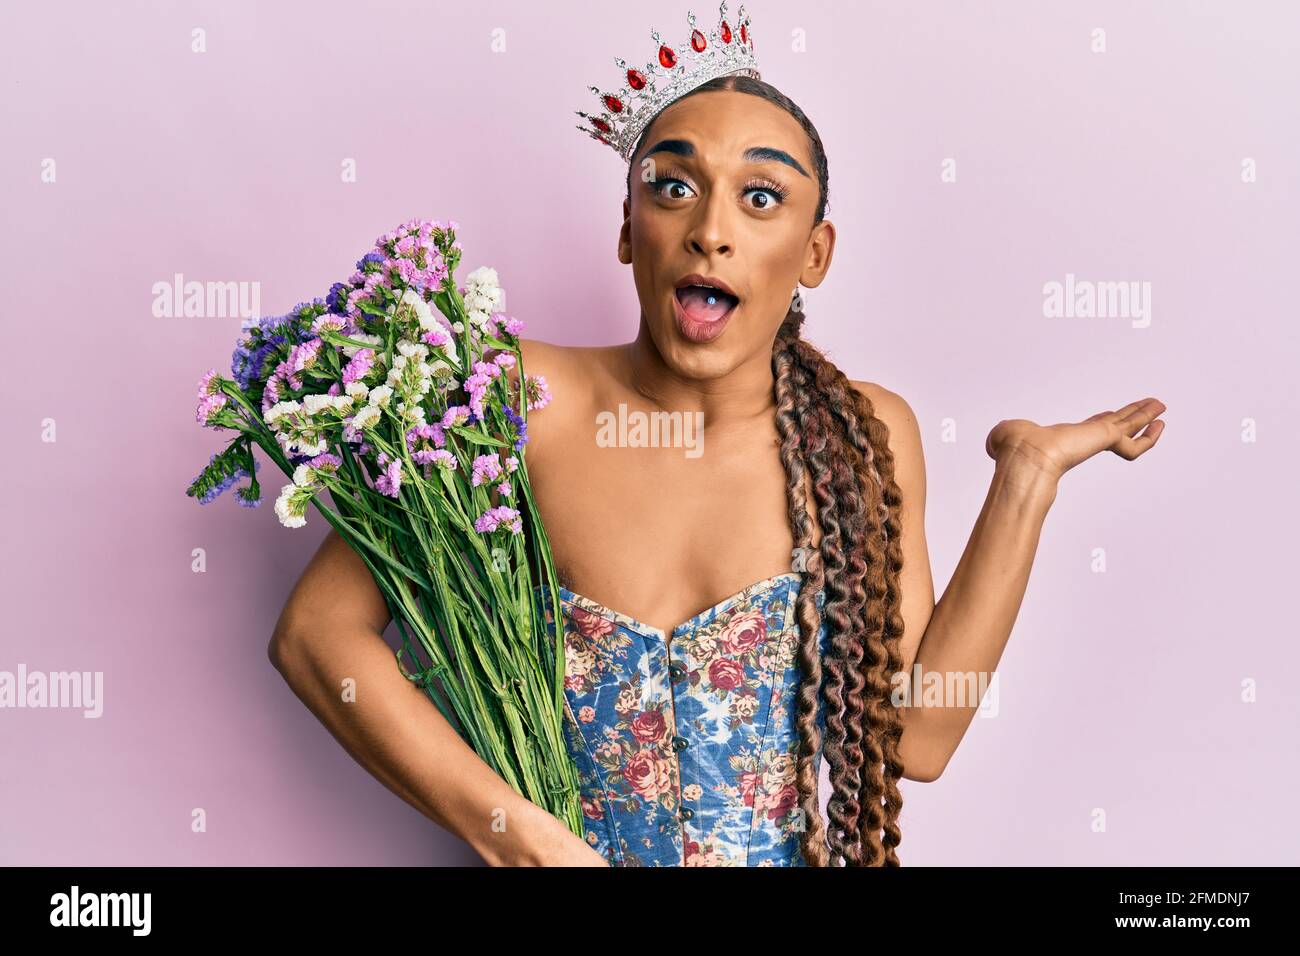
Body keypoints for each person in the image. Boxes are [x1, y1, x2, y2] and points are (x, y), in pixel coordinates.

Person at [268, 2, 1166, 867]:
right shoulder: (513, 398)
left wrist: (1028, 478)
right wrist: (511, 833)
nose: (711, 232)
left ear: (815, 253)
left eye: (761, 196)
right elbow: (317, 635)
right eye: (673, 186)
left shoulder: (862, 434)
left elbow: (919, 737)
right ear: (629, 230)